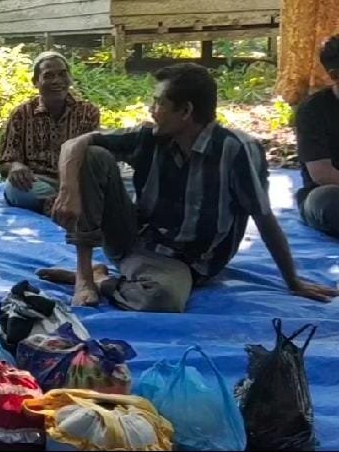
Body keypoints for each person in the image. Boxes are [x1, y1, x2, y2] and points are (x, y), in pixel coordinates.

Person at [37, 63, 337, 310]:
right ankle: (84, 276)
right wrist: (69, 192)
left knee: (162, 299)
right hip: (134, 239)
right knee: (91, 155)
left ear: (186, 111)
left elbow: (264, 217)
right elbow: (75, 143)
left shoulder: (236, 150)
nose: (152, 109)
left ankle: (103, 279)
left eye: (159, 103)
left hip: (188, 262)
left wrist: (292, 281)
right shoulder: (150, 137)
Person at [0, 52, 100, 214]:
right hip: (38, 182)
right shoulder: (21, 114)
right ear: (35, 82)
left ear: (70, 78)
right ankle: (65, 206)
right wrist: (15, 166)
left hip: (76, 181)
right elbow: (5, 161)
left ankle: (61, 205)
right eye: (48, 76)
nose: (57, 81)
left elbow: (94, 155)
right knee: (15, 189)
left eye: (62, 74)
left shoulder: (88, 111)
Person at [294, 35, 339, 238]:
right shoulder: (313, 110)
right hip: (331, 190)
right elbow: (322, 174)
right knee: (326, 201)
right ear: (335, 74)